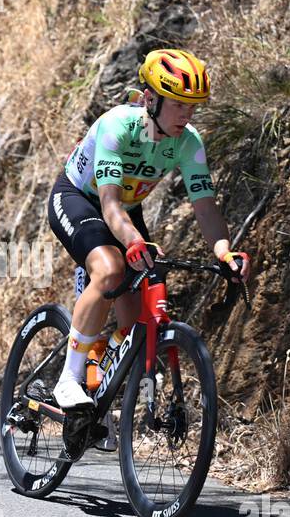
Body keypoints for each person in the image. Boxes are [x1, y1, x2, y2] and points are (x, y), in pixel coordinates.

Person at [46, 48, 249, 417]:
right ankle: (69, 379)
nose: (187, 115)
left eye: (193, 107)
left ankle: (100, 377)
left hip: (125, 210)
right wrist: (131, 241)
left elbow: (204, 207)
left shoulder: (188, 142)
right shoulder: (118, 126)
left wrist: (224, 252)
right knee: (110, 270)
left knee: (135, 321)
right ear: (152, 99)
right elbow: (108, 204)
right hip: (81, 198)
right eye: (179, 105)